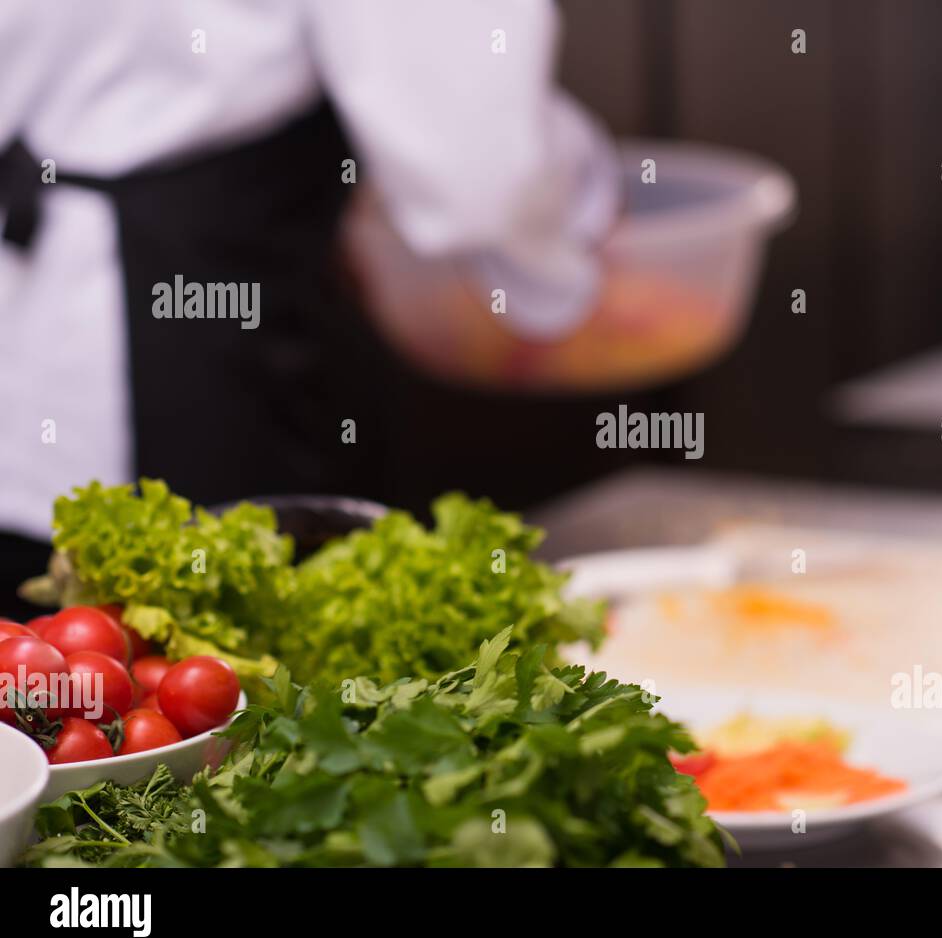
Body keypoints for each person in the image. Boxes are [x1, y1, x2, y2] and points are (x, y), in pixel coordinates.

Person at [0, 1, 627, 618]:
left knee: (50, 695)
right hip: (197, 377)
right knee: (235, 690)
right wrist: (572, 250)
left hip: (37, 385)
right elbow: (476, 167)